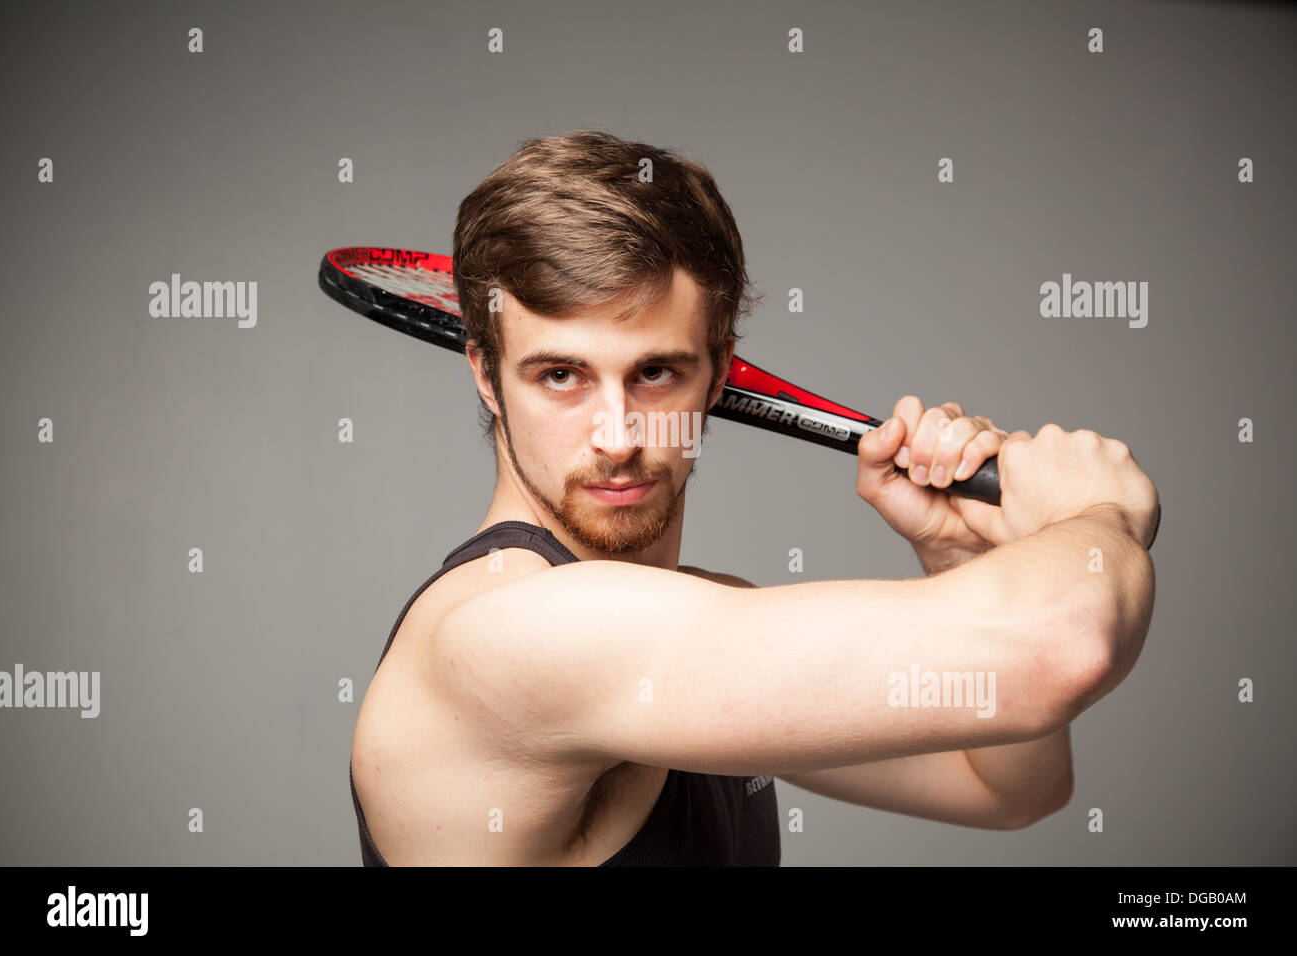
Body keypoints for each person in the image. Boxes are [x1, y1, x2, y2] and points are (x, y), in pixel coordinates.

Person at [349, 130, 1159, 866]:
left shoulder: (697, 627)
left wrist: (956, 553)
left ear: (720, 371)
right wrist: (1100, 517)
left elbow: (1009, 789)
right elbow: (1062, 647)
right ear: (487, 376)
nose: (617, 434)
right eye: (560, 376)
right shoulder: (505, 636)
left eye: (656, 372)